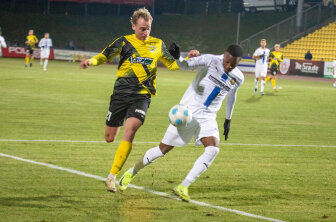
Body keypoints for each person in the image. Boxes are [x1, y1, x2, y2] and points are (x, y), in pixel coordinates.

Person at [79, 8, 198, 193]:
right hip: (120, 94)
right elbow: (104, 56)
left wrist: (185, 57)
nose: (145, 32)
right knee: (110, 138)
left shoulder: (157, 44)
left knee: (131, 130)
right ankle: (116, 137)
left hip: (142, 96)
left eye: (148, 28)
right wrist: (90, 62)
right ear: (133, 26)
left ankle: (112, 177)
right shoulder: (124, 42)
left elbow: (174, 66)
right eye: (142, 28)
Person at [118, 43, 244, 202]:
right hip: (187, 113)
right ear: (224, 55)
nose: (228, 66)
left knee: (213, 149)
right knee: (162, 149)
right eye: (227, 62)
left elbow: (232, 96)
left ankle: (183, 186)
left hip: (208, 117)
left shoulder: (238, 77)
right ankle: (131, 172)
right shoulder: (210, 60)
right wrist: (178, 56)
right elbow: (185, 65)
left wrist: (228, 119)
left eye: (233, 65)